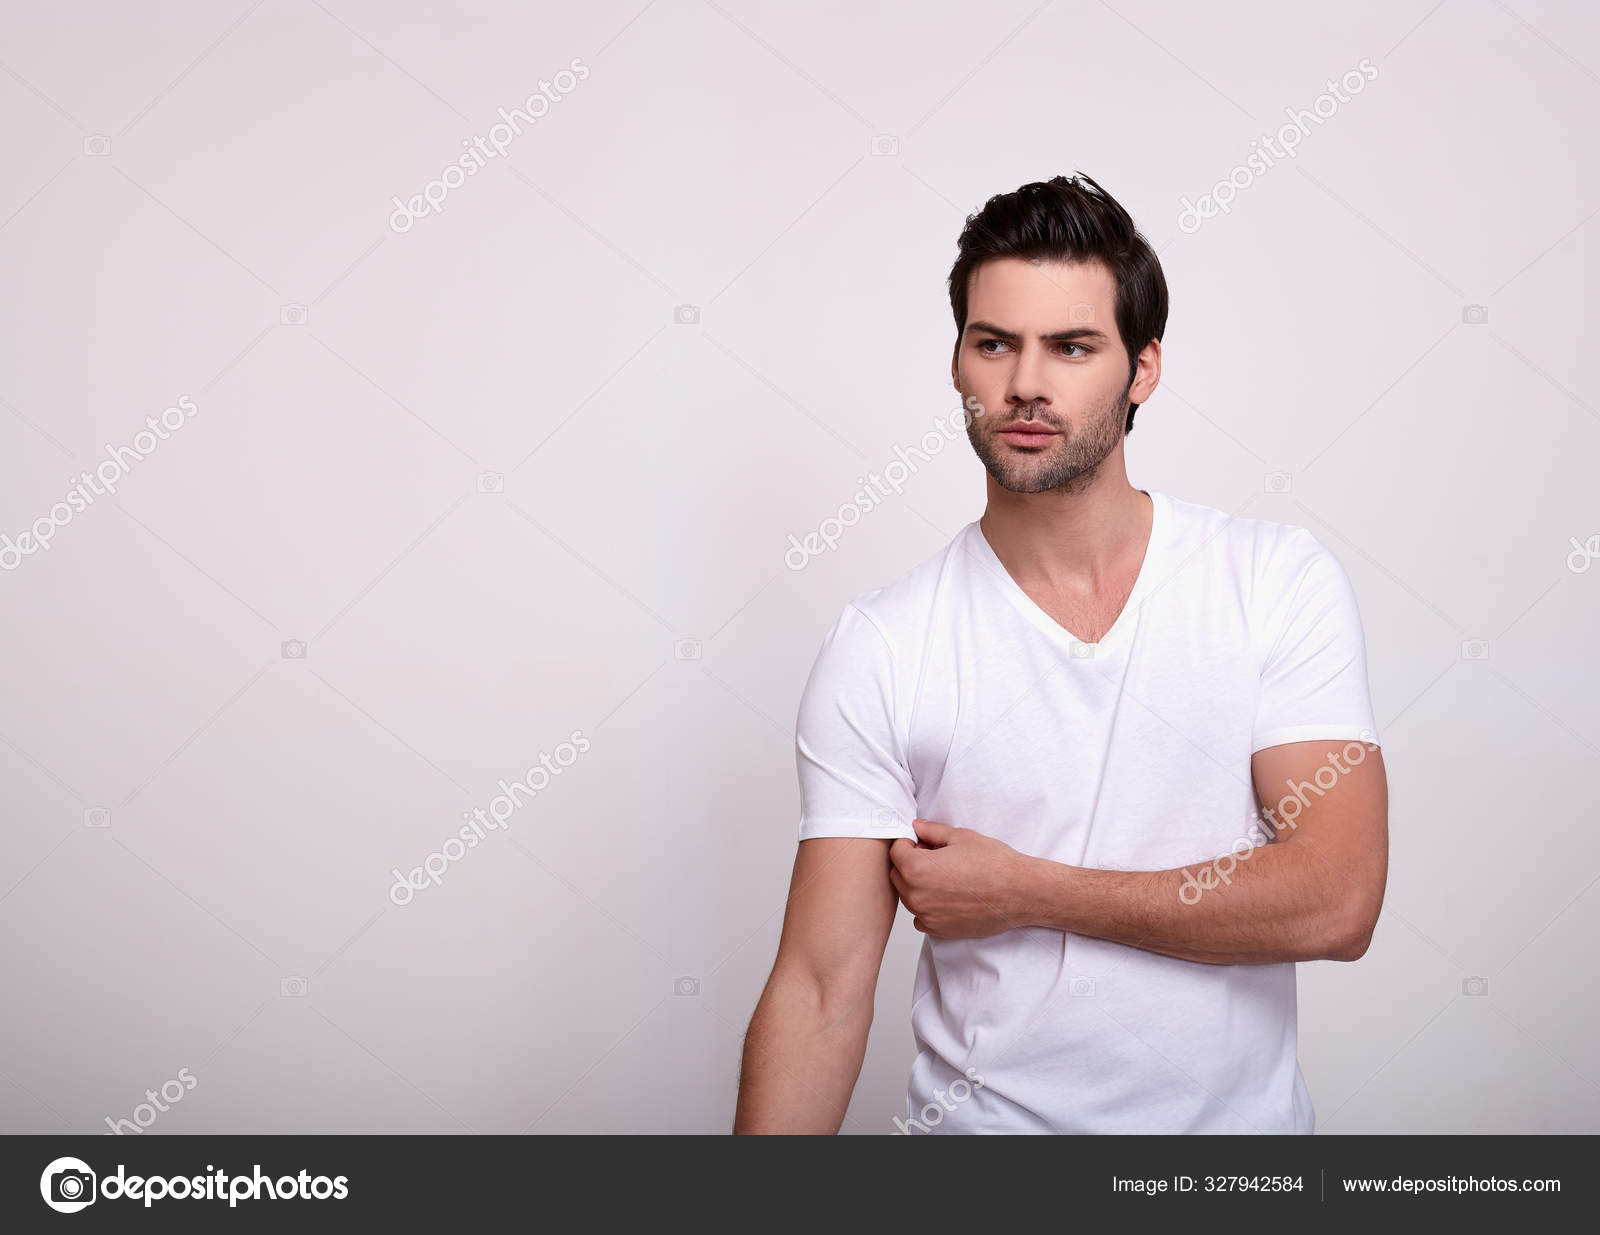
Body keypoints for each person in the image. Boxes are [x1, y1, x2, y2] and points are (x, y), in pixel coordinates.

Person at [733, 173, 1388, 1135]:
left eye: (1072, 347)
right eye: (993, 343)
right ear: (958, 362)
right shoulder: (884, 645)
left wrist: (1031, 891)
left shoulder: (1273, 582)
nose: (1025, 382)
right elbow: (821, 989)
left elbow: (1337, 901)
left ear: (1143, 369)